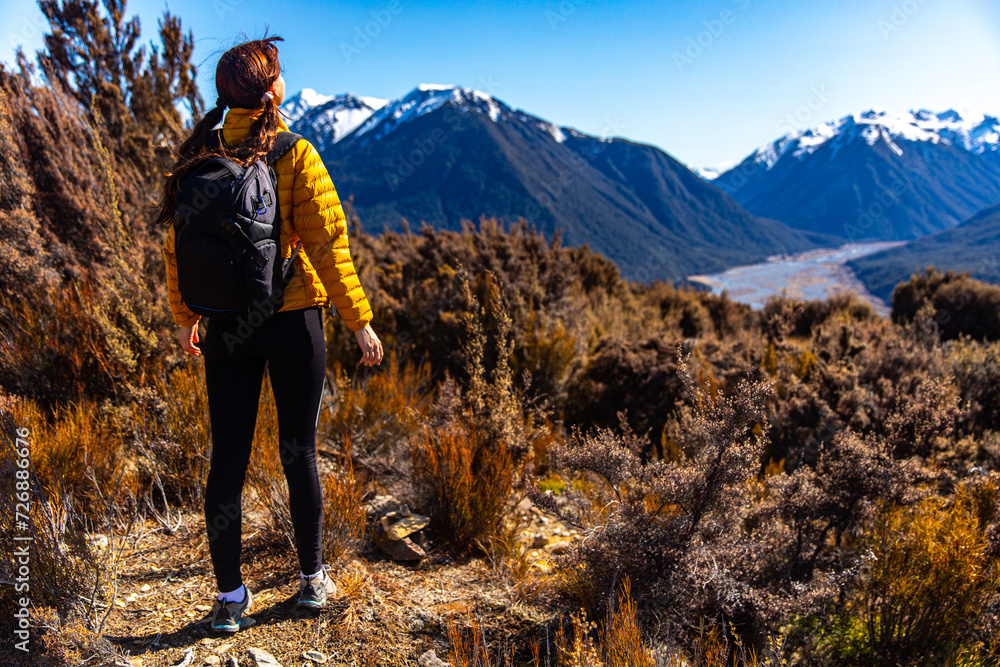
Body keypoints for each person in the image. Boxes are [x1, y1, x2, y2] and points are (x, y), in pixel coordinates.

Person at [157, 35, 383, 633]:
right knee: (298, 452)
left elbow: (178, 252)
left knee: (226, 460)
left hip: (227, 328)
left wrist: (186, 320)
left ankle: (230, 599)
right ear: (272, 90)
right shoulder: (294, 152)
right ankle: (312, 581)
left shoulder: (196, 156)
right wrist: (357, 321)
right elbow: (327, 243)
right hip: (293, 319)